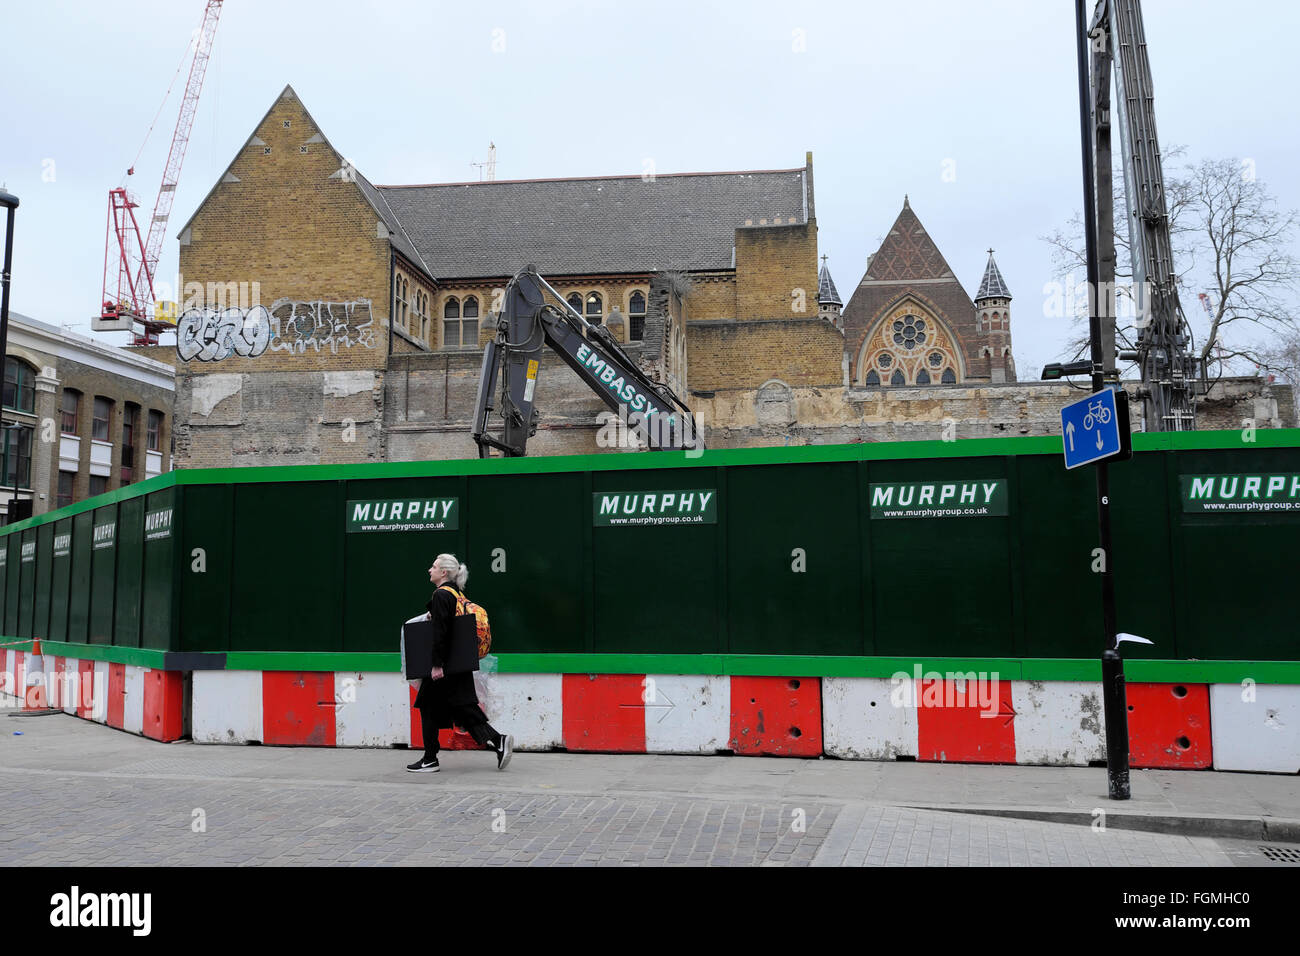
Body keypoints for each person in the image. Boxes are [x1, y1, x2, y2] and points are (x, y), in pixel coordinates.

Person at [406, 553, 512, 773]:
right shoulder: (456, 594)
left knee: (431, 706)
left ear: (443, 572)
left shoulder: (441, 595)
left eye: (433, 566)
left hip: (445, 666)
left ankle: (430, 759)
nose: (429, 570)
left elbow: (441, 632)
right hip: (457, 663)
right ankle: (497, 741)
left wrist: (437, 665)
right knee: (462, 708)